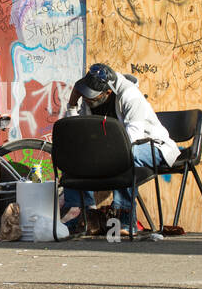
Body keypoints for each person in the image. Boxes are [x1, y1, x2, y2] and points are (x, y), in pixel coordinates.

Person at [63, 63, 179, 233]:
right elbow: (77, 131)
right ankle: (84, 214)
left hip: (151, 145)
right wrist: (72, 103)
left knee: (127, 155)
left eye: (91, 97)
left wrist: (104, 153)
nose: (87, 100)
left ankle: (124, 216)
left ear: (107, 92)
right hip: (112, 149)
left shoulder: (130, 96)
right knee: (75, 155)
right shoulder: (91, 101)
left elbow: (134, 136)